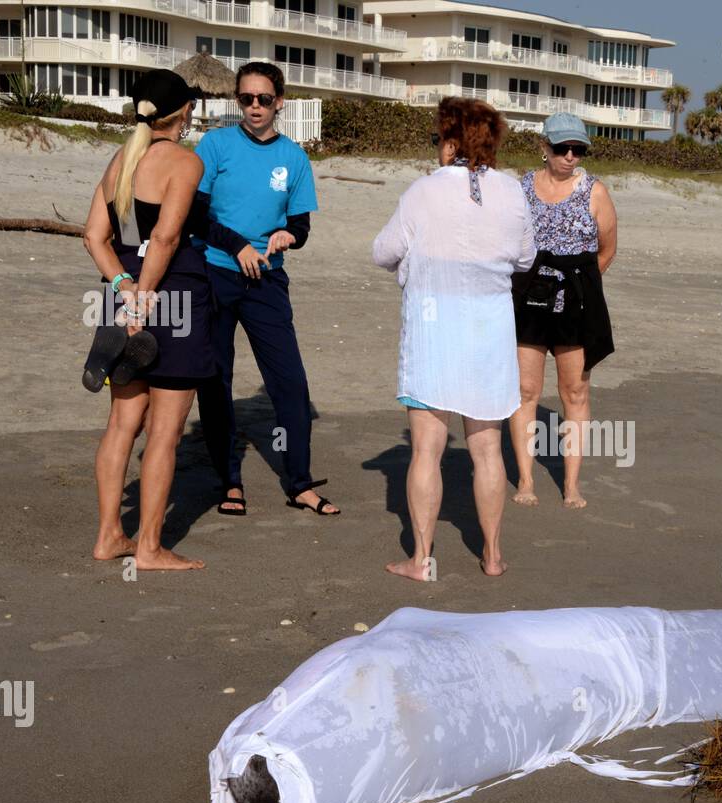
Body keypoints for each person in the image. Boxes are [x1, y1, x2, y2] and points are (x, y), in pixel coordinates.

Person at [372, 96, 536, 581]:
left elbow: (383, 251)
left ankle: (422, 559)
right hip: (489, 328)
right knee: (486, 449)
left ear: (449, 142)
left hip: (432, 327)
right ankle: (492, 555)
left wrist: (420, 259)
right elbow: (525, 258)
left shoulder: (424, 191)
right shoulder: (511, 191)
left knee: (426, 449)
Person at [82, 69, 215, 570]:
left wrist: (124, 290)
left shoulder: (120, 160)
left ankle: (108, 536)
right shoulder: (184, 162)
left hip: (123, 300)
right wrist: (145, 299)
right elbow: (164, 238)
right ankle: (150, 547)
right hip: (172, 299)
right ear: (184, 112)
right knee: (165, 433)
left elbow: (94, 236)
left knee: (121, 424)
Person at [194, 62, 338, 517]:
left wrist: (287, 236)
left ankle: (299, 482)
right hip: (215, 272)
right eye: (246, 99)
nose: (255, 107)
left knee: (291, 382)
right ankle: (229, 482)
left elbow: (301, 224)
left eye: (264, 99)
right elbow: (196, 217)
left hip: (267, 280)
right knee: (216, 379)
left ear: (280, 101)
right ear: (237, 100)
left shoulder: (294, 157)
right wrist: (236, 246)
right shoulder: (214, 145)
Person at [508, 113, 618, 510]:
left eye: (579, 149)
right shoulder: (520, 188)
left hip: (576, 301)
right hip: (529, 298)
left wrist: (580, 287)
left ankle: (571, 484)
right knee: (525, 392)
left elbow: (607, 249)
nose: (571, 157)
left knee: (574, 391)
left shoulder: (595, 191)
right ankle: (524, 478)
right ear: (544, 148)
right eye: (562, 149)